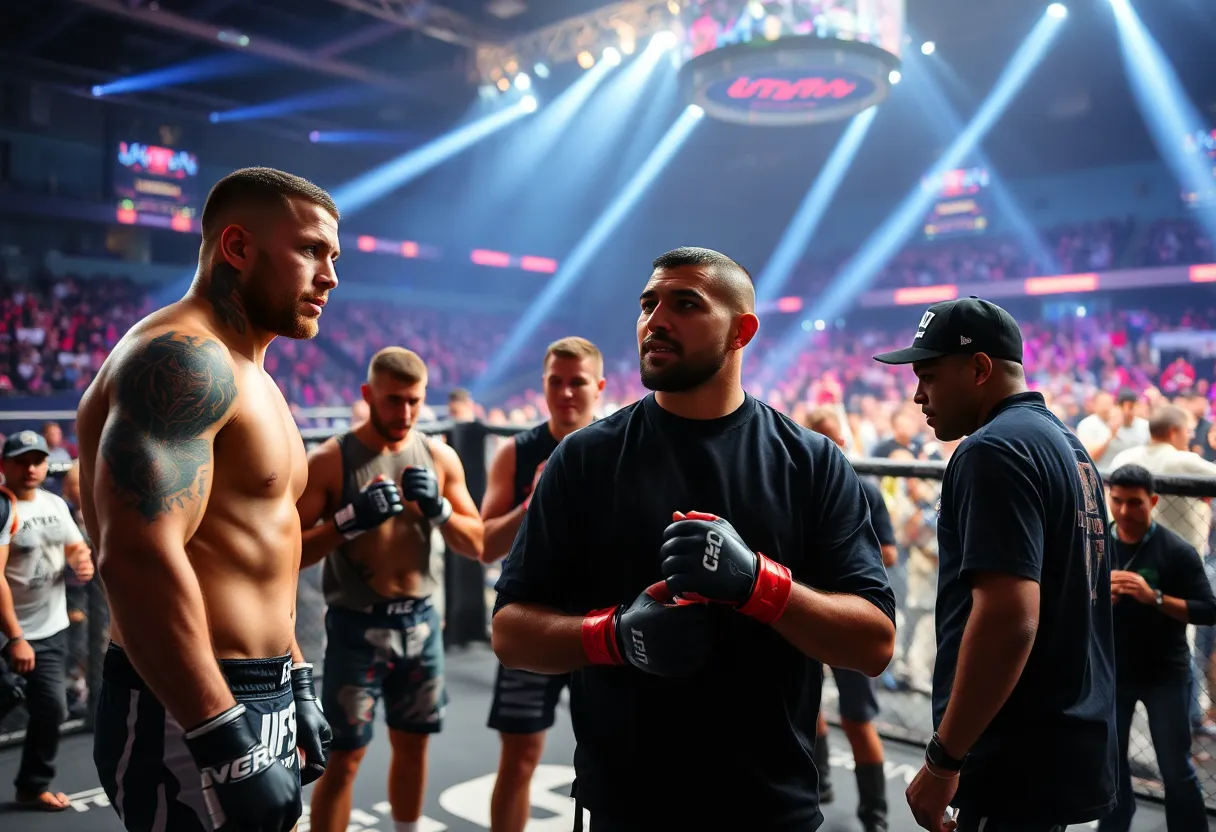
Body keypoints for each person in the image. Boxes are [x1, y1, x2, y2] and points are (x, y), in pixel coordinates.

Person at [492, 247, 896, 831]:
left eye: (685, 304)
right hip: (625, 805)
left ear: (742, 330)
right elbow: (509, 633)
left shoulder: (810, 463)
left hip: (770, 806)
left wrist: (761, 585)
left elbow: (874, 646)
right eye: (648, 304)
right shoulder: (584, 459)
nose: (656, 320)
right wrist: (612, 636)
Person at [79, 167, 340, 832]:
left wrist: (298, 677)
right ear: (237, 248)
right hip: (187, 700)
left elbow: (264, 547)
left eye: (333, 257)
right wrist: (220, 735)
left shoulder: (251, 371)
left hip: (256, 685)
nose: (330, 276)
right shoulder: (183, 359)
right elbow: (135, 557)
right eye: (311, 249)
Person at [874, 297, 1117, 832]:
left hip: (1013, 754)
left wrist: (944, 759)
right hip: (1061, 741)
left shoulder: (993, 449)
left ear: (980, 368)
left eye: (930, 375)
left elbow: (1011, 618)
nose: (918, 396)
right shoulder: (1068, 446)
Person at [296, 346, 484, 832]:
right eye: (393, 400)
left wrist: (439, 508)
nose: (404, 413)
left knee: (414, 743)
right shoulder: (331, 461)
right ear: (368, 394)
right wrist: (348, 520)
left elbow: (477, 542)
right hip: (357, 628)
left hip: (421, 624)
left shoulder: (439, 456)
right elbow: (289, 551)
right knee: (345, 756)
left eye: (414, 401)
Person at [481, 336, 606, 832]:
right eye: (557, 381)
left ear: (598, 386)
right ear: (544, 386)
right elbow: (486, 545)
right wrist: (533, 500)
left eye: (578, 382)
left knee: (612, 761)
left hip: (602, 622)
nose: (567, 393)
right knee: (518, 758)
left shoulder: (618, 447)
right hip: (533, 620)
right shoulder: (518, 451)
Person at [1099, 464, 1214, 832]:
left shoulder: (1176, 551)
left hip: (1165, 673)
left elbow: (1208, 611)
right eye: (1116, 501)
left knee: (1176, 770)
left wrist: (1156, 598)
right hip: (1113, 671)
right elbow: (1067, 600)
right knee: (1112, 767)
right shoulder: (1096, 546)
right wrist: (1099, 596)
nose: (1124, 511)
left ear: (1152, 501)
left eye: (1134, 503)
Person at [803, 406, 898, 832]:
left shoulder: (864, 490)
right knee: (808, 706)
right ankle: (820, 781)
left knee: (858, 720)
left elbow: (890, 553)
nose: (833, 447)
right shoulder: (797, 485)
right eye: (823, 439)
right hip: (806, 612)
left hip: (849, 616)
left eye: (836, 439)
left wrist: (848, 558)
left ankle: (874, 816)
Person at [0, 431, 93, 812]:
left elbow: (74, 546)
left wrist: (81, 560)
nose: (31, 467)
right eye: (21, 460)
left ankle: (31, 786)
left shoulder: (54, 503)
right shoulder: (4, 508)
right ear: (5, 465)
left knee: (52, 708)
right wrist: (16, 637)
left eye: (37, 460)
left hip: (50, 630)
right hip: (9, 633)